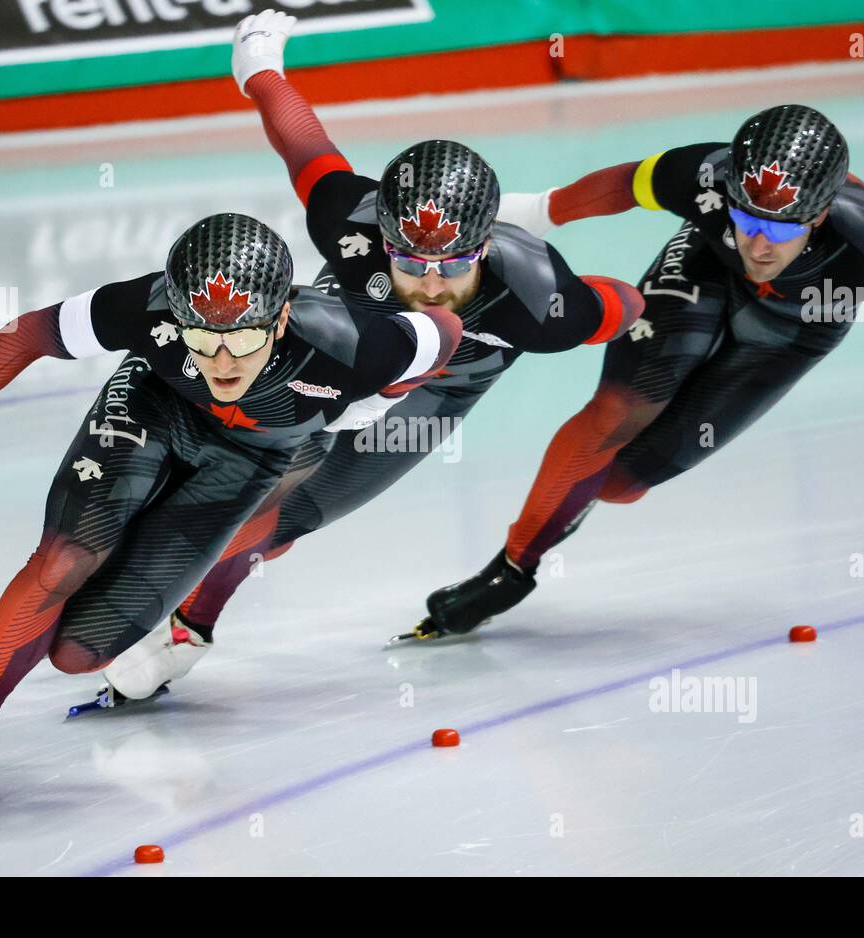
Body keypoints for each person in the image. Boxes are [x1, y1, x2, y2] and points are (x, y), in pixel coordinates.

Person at [98, 9, 646, 697]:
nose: (427, 285)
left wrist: (584, 260)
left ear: (485, 250)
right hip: (340, 355)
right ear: (380, 235)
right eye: (408, 259)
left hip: (435, 393)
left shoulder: (539, 302)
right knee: (240, 480)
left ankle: (191, 627)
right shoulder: (350, 219)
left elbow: (624, 304)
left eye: (452, 266)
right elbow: (304, 142)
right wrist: (259, 64)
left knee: (285, 520)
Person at [0, 212, 461, 802]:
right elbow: (29, 332)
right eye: (202, 338)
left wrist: (372, 404)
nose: (222, 362)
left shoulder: (356, 343)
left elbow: (446, 334)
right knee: (67, 558)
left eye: (243, 339)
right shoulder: (147, 310)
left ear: (279, 321)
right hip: (154, 408)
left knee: (77, 654)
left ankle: (33, 632)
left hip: (249, 459)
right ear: (178, 318)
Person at [417, 103, 864, 636]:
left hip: (799, 323)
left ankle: (571, 506)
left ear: (823, 214)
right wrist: (542, 209)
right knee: (618, 412)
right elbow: (626, 183)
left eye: (781, 231)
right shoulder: (706, 174)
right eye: (745, 218)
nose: (759, 243)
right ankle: (513, 569)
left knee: (616, 484)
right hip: (705, 267)